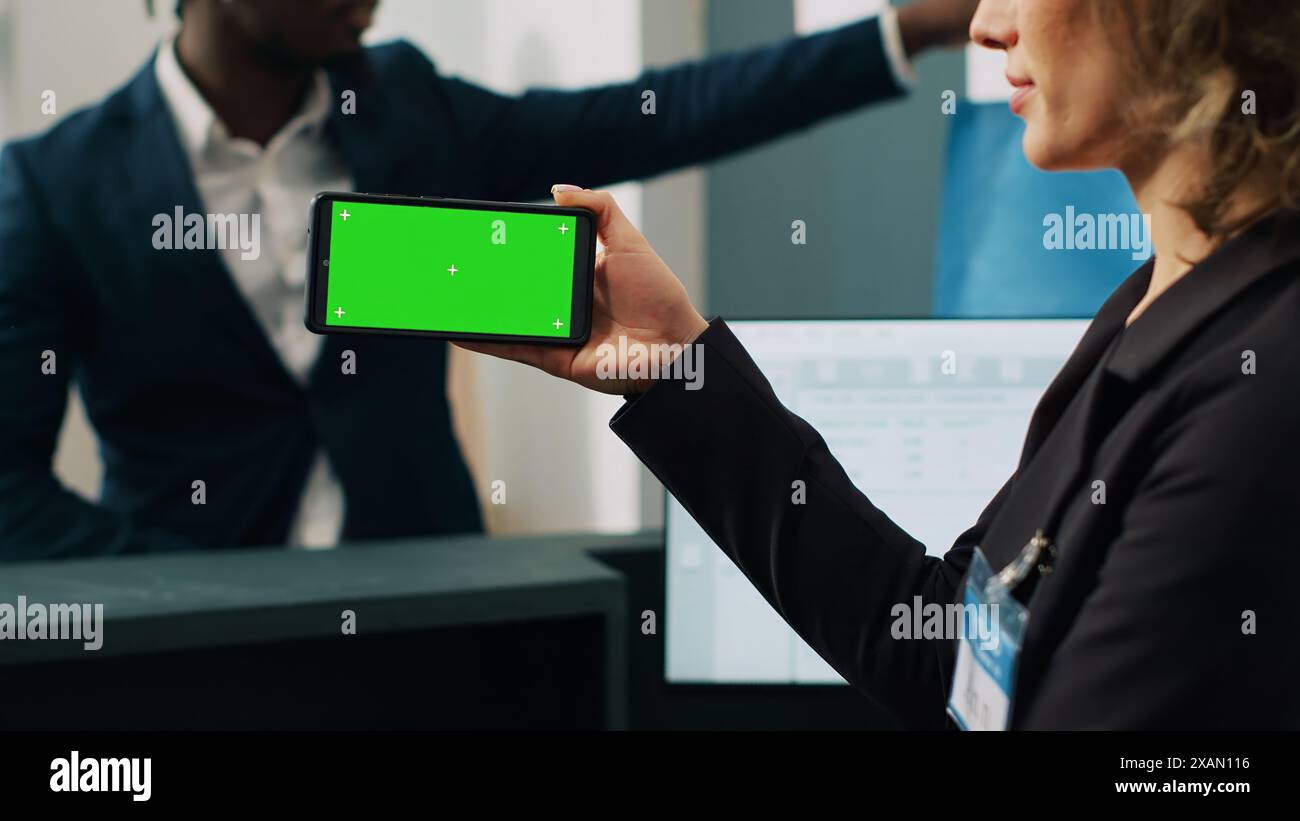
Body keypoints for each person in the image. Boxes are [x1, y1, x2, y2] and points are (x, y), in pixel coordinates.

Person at [461, 0, 1300, 729]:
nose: (986, 24)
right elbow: (946, 652)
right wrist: (674, 368)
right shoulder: (1150, 302)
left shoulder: (1263, 389)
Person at [0, 0, 979, 560]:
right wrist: (194, 589)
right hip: (201, 654)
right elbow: (10, 489)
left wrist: (907, 29)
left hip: (437, 612)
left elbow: (656, 112)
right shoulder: (54, 185)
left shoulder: (406, 105)